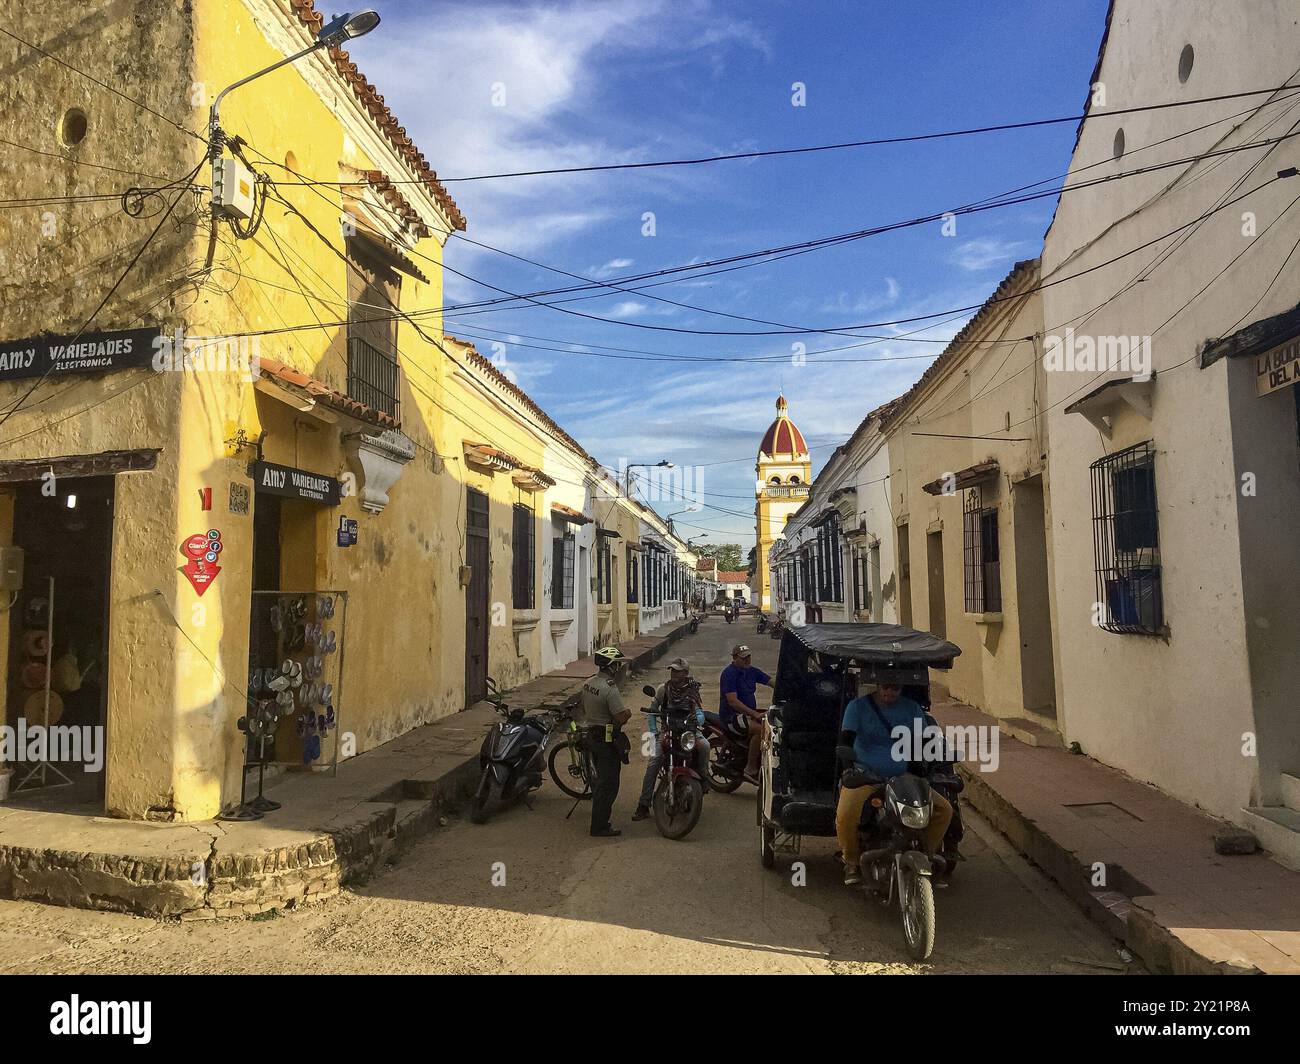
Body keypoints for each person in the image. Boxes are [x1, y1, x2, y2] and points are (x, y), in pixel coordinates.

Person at [835, 681, 953, 886]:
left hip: (903, 777)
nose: (890, 692)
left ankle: (926, 856)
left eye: (895, 688)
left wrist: (931, 767)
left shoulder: (912, 709)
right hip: (866, 776)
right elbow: (845, 741)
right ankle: (851, 861)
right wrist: (848, 769)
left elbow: (924, 742)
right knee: (845, 816)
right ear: (877, 686)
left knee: (944, 810)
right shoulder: (857, 707)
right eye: (886, 687)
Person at [632, 658, 710, 821]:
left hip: (688, 732)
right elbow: (653, 712)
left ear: (686, 673)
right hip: (667, 731)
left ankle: (703, 778)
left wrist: (699, 718)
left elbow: (699, 711)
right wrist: (653, 733)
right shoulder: (663, 689)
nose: (674, 674)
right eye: (672, 670)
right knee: (654, 762)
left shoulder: (693, 690)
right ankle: (643, 804)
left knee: (704, 745)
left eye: (678, 671)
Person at [578, 646, 632, 837]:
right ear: (611, 666)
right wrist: (628, 713)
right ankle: (599, 825)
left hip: (591, 735)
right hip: (606, 739)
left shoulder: (588, 683)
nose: (618, 668)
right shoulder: (610, 689)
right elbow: (619, 717)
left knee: (600, 779)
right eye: (616, 664)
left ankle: (599, 819)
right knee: (608, 784)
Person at [718, 644, 772, 785]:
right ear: (735, 658)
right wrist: (754, 714)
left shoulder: (752, 671)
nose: (747, 660)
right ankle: (750, 768)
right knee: (761, 730)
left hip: (747, 716)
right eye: (743, 658)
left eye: (748, 656)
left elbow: (770, 681)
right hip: (732, 717)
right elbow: (733, 701)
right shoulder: (729, 674)